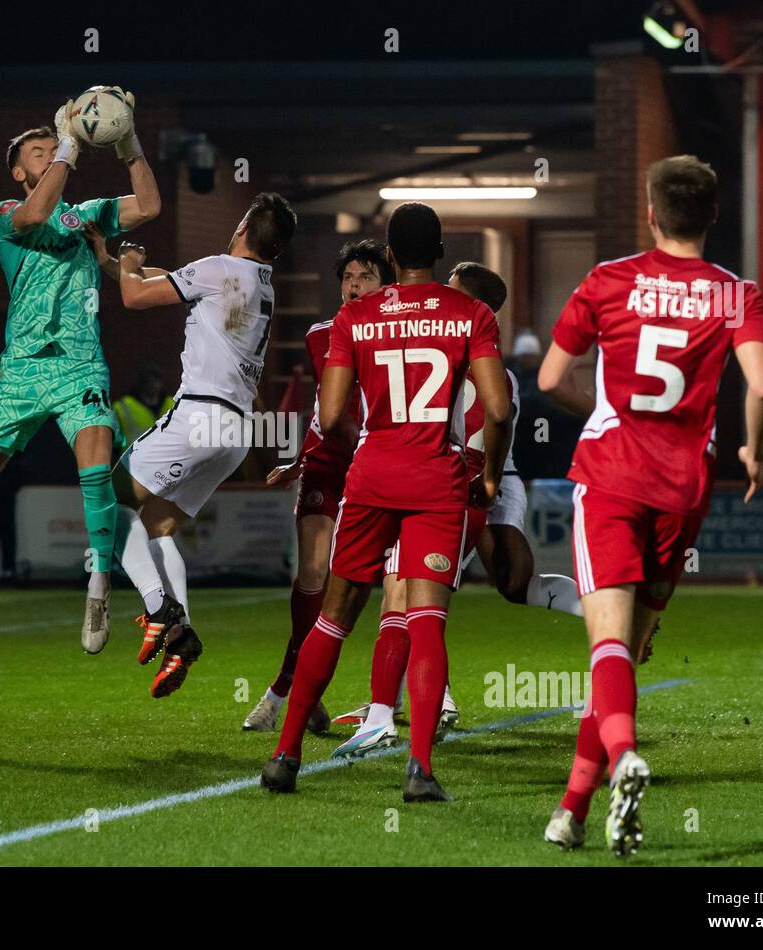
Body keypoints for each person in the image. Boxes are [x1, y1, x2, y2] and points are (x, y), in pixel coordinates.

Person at [537, 155, 763, 856]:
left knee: (607, 647)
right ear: (713, 215)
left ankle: (625, 757)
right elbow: (760, 388)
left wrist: (605, 407)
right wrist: (754, 452)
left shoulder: (609, 280)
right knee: (630, 651)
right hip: (683, 490)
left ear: (650, 212)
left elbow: (552, 377)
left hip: (613, 476)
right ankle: (574, 810)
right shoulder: (736, 294)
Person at [259, 202, 512, 802]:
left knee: (334, 615)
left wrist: (368, 444)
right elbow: (498, 409)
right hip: (437, 481)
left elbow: (329, 414)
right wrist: (493, 478)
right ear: (441, 252)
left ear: (391, 256)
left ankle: (284, 755)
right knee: (427, 623)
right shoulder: (471, 313)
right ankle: (419, 769)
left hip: (372, 476)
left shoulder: (356, 317)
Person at [0, 91, 161, 652]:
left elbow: (147, 206)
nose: (49, 150)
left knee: (97, 473)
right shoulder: (6, 213)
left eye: (52, 144)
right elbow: (34, 215)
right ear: (17, 169)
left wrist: (129, 145)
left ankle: (100, 584)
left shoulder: (89, 213)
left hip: (80, 365)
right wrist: (71, 148)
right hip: (21, 372)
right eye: (38, 149)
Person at [332, 262, 585, 760]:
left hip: (471, 484)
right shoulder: (472, 355)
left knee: (404, 593)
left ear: (472, 304)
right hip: (480, 483)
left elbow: (485, 425)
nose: (439, 298)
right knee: (509, 587)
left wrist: (473, 485)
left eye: (451, 292)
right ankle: (600, 610)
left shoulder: (473, 361)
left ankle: (386, 713)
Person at [109, 192, 297, 698]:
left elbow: (134, 296)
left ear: (240, 226)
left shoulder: (218, 269)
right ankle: (181, 635)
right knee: (159, 524)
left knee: (108, 505)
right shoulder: (258, 283)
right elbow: (177, 282)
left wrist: (127, 263)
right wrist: (115, 264)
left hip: (198, 414)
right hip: (234, 431)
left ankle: (158, 607)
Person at [243, 238, 394, 733]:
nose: (353, 285)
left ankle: (321, 693)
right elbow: (326, 412)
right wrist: (298, 460)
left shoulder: (400, 333)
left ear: (385, 284)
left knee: (384, 585)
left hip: (382, 468)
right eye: (348, 277)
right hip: (330, 465)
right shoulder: (320, 335)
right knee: (312, 571)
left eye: (365, 277)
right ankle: (284, 690)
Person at [112, 364, 175, 448]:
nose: (153, 385)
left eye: (156, 381)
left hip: (167, 459)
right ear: (141, 383)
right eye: (149, 381)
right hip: (133, 458)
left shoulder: (173, 404)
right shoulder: (123, 407)